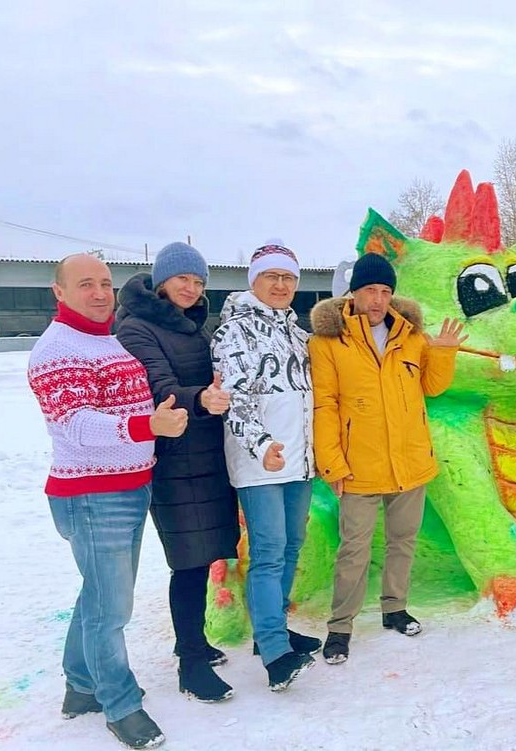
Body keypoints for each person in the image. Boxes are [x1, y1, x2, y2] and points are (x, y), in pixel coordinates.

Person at [28, 253, 187, 749]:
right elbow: (75, 425)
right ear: (59, 292)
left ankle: (79, 686)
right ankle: (120, 705)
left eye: (105, 283)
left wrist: (155, 420)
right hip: (92, 494)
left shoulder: (107, 340)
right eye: (85, 285)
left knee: (98, 596)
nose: (100, 293)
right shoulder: (56, 350)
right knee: (110, 608)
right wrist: (145, 426)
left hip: (129, 485)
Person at [308, 252, 464, 664]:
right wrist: (332, 464)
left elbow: (431, 387)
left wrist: (444, 352)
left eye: (385, 291)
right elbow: (323, 405)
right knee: (353, 550)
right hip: (359, 465)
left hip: (410, 461)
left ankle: (395, 608)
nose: (377, 300)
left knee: (403, 541)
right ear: (354, 293)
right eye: (369, 291)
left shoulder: (410, 336)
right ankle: (340, 627)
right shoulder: (327, 341)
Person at [115, 242, 240, 703]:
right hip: (172, 462)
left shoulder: (194, 327)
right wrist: (201, 399)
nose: (191, 288)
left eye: (199, 281)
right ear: (161, 280)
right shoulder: (137, 328)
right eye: (183, 279)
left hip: (208, 456)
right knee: (187, 561)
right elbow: (158, 388)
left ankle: (196, 640)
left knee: (206, 556)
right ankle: (190, 664)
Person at [210, 244, 320, 691]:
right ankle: (275, 652)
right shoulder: (233, 332)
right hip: (260, 462)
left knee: (292, 546)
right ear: (253, 280)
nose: (281, 285)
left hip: (299, 461)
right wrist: (261, 445)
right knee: (269, 552)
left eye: (288, 278)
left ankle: (273, 628)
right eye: (271, 276)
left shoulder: (298, 333)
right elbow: (233, 402)